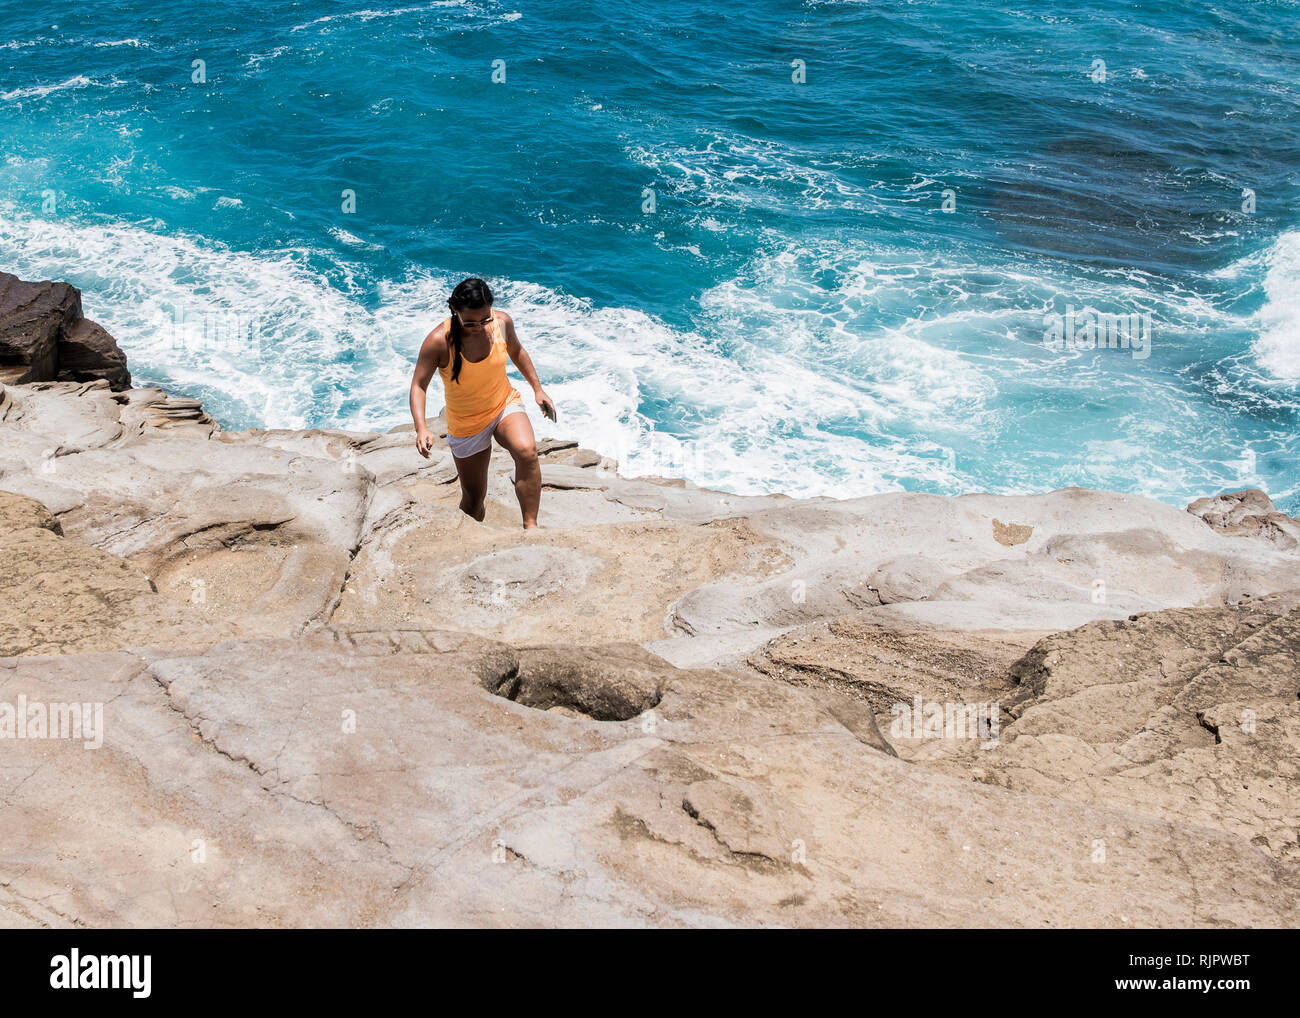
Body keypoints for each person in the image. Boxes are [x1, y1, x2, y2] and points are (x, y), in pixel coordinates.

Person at [409, 277, 556, 530]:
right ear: (455, 311)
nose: (479, 327)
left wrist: (537, 389)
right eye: (470, 323)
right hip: (466, 424)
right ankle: (465, 537)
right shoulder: (438, 340)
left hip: (503, 404)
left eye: (484, 319)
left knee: (527, 452)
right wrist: (421, 427)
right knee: (474, 500)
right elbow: (418, 385)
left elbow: (517, 351)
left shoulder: (502, 323)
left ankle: (531, 528)